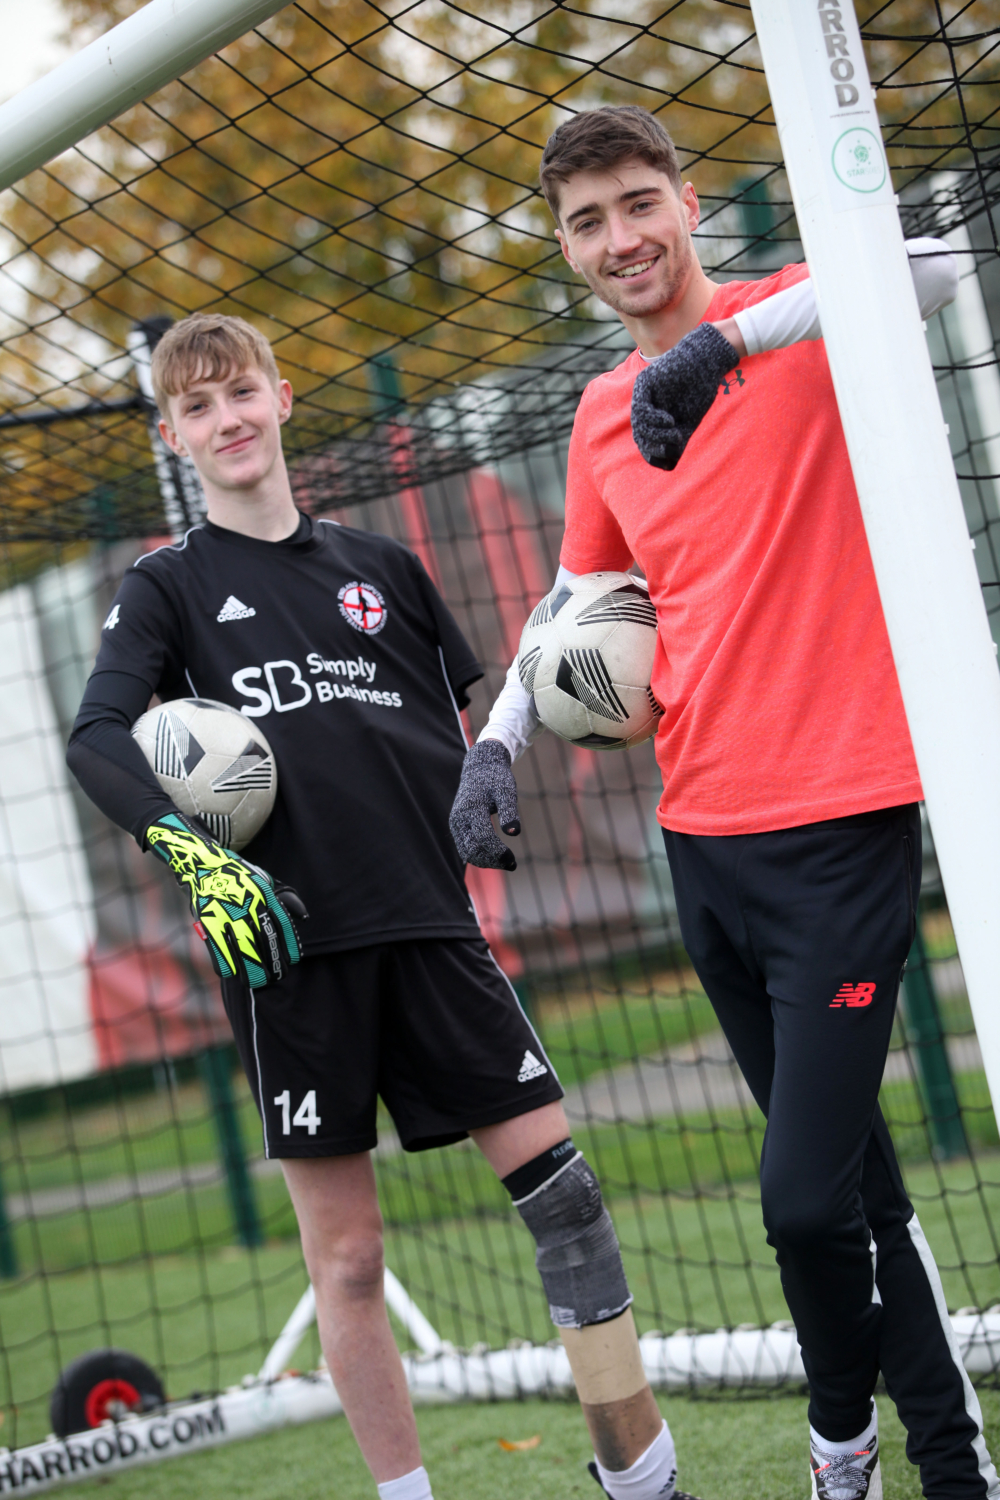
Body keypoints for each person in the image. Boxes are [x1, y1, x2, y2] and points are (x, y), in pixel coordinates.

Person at [450, 105, 998, 1500]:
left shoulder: (801, 312)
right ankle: (947, 1465)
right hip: (703, 846)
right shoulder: (599, 418)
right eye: (587, 221)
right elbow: (578, 601)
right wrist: (496, 746)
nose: (621, 239)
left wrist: (725, 344)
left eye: (640, 202)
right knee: (855, 1191)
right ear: (565, 245)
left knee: (802, 1202)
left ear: (687, 202)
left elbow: (935, 263)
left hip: (844, 830)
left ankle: (836, 1435)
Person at [66, 311, 700, 1500]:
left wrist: (485, 782)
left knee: (566, 1199)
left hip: (434, 931)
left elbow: (464, 725)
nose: (226, 419)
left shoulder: (387, 570)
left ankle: (643, 1478)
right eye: (196, 406)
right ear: (171, 436)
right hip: (291, 957)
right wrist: (192, 856)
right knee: (350, 1261)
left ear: (282, 397)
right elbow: (97, 736)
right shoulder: (167, 588)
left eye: (240, 392)